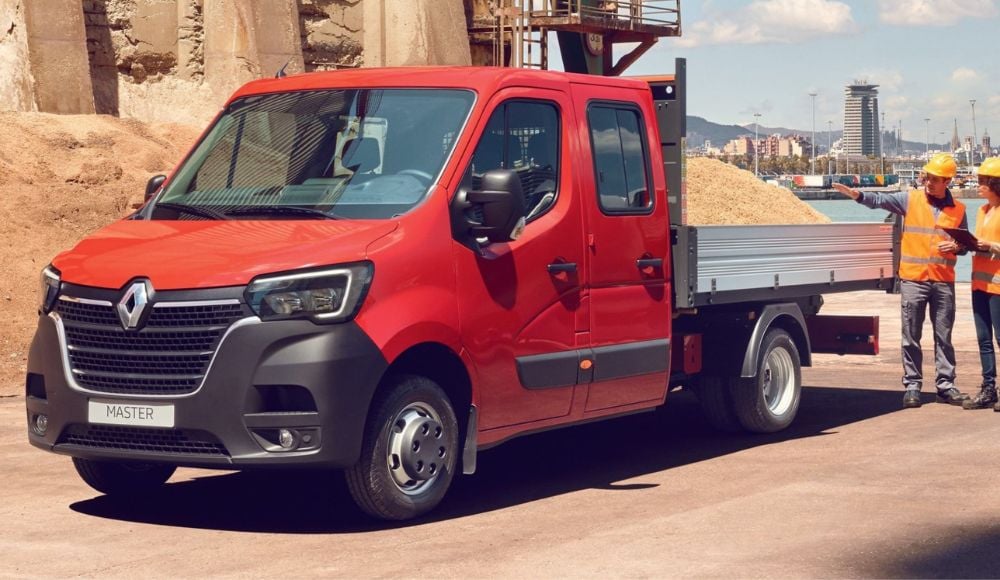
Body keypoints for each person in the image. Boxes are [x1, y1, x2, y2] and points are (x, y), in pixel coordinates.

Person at [832, 153, 969, 409]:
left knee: (944, 336)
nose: (929, 182)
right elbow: (880, 200)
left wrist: (957, 247)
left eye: (935, 179)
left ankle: (945, 386)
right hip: (914, 280)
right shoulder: (910, 199)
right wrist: (858, 195)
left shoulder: (959, 209)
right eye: (927, 177)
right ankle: (913, 386)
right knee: (910, 336)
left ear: (947, 181)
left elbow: (964, 244)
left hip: (943, 281)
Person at [962, 157, 1000, 410]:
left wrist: (991, 246)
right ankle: (988, 389)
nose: (978, 185)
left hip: (998, 286)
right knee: (984, 339)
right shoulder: (982, 211)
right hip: (979, 284)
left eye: (983, 181)